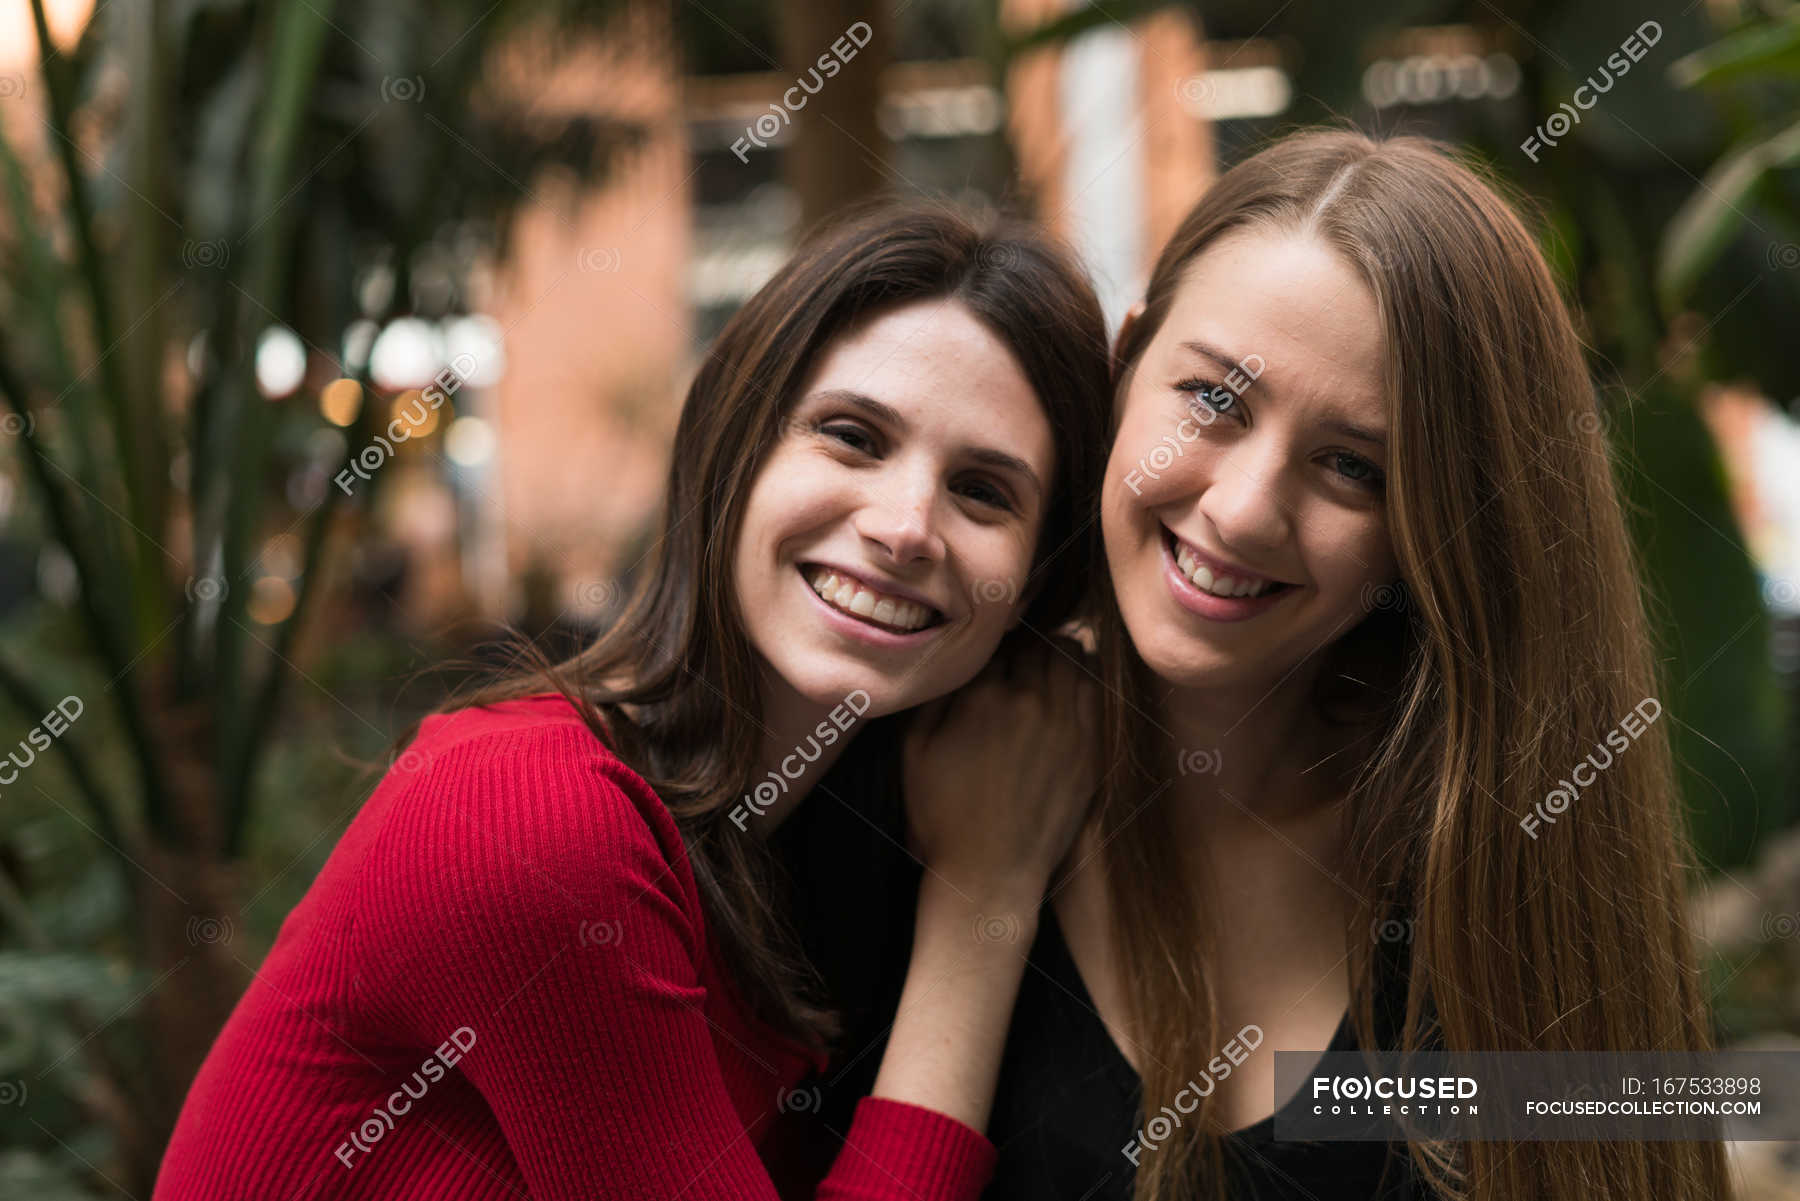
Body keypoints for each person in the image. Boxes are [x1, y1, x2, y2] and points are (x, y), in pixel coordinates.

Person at [783, 129, 1730, 1201]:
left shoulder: (1505, 848)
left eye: (1350, 466)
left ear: (1442, 528)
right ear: (1125, 361)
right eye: (1213, 400)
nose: (1240, 510)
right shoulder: (883, 777)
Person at [152, 201, 1111, 1201]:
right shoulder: (531, 817)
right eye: (853, 436)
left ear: (1035, 590)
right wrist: (983, 904)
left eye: (984, 492)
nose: (907, 526)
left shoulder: (817, 840)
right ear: (731, 455)